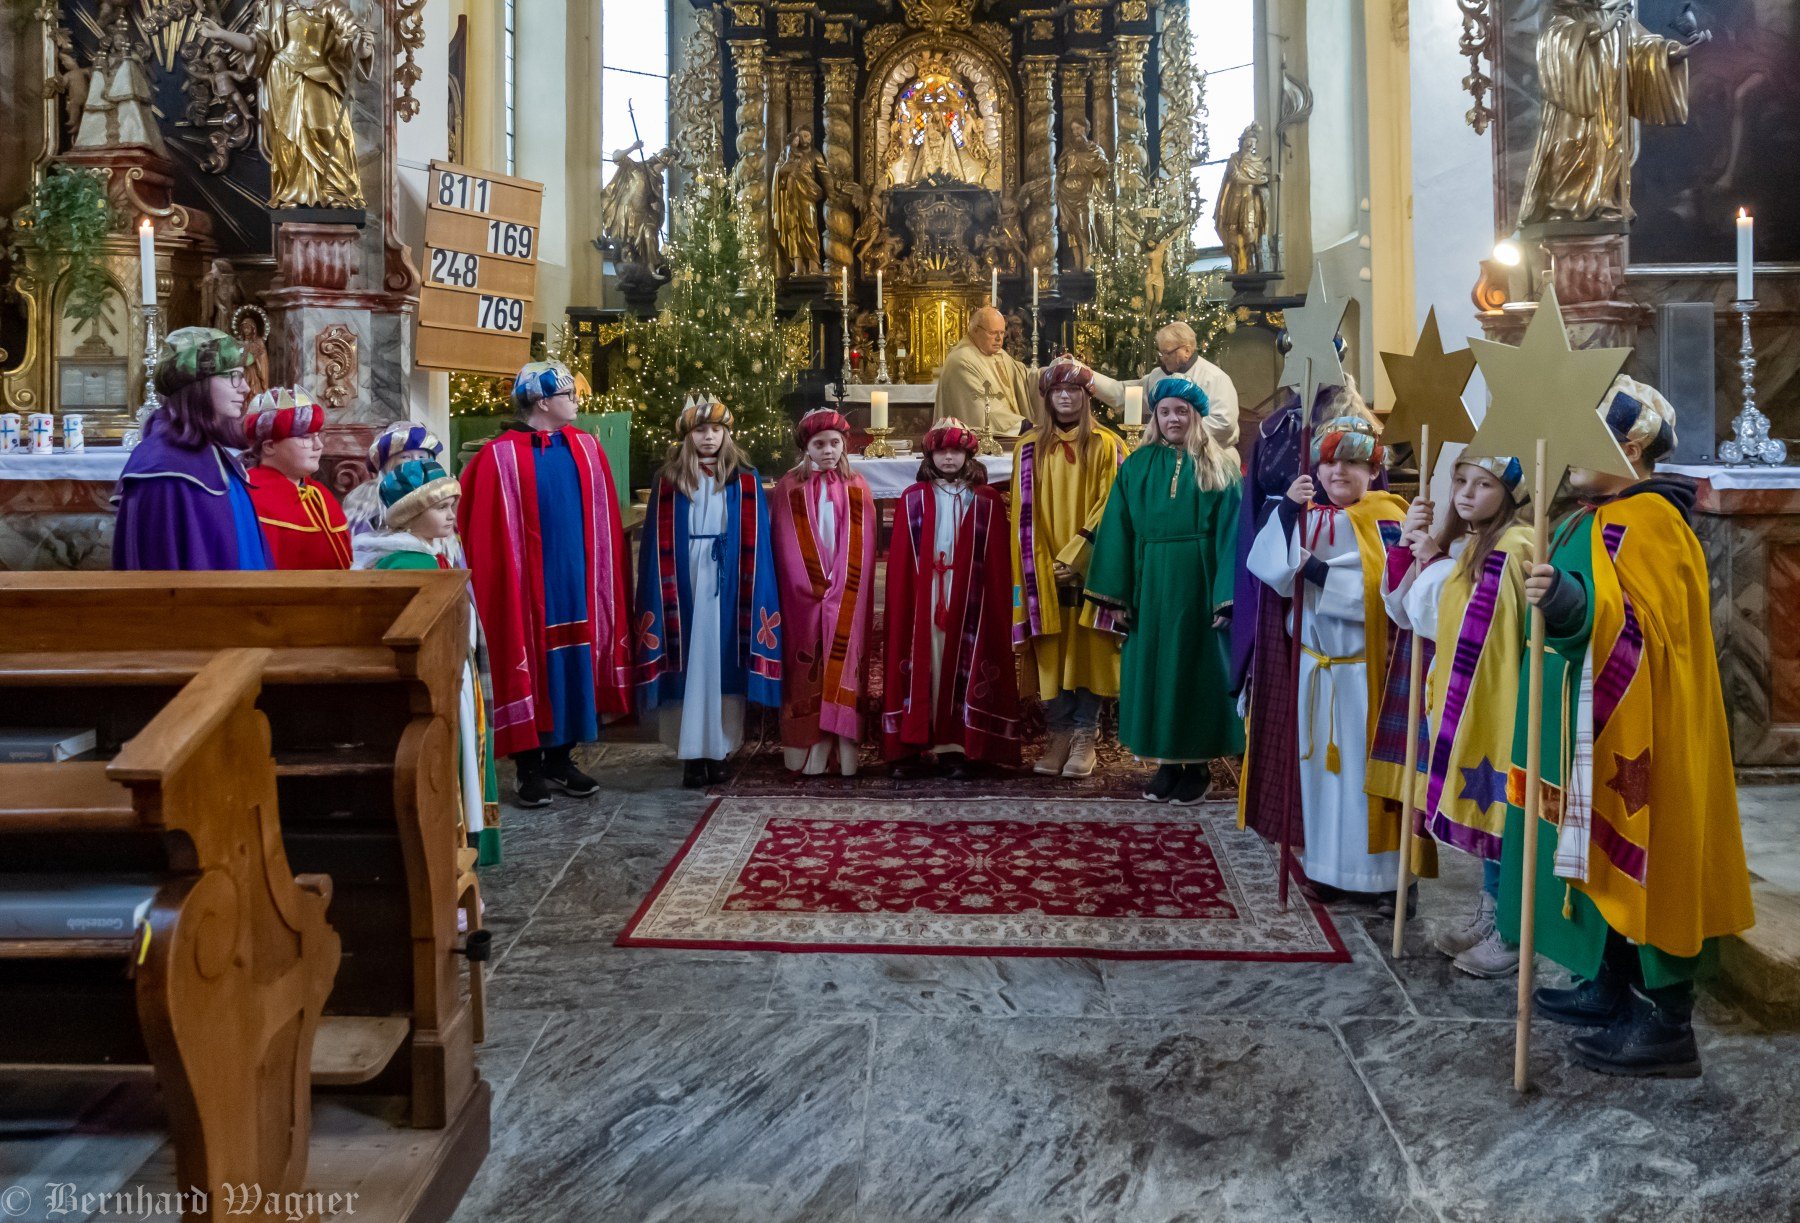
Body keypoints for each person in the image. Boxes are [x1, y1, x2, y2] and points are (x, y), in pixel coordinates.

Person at [1499, 376, 1753, 1077]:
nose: (1570, 448)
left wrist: (1574, 603)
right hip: (1583, 724)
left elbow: (1647, 634)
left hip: (1643, 734)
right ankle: (1610, 984)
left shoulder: (1652, 523)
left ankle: (1663, 1019)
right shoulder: (1588, 517)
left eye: (1589, 431)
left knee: (1650, 851)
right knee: (1593, 855)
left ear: (1633, 442)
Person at [1246, 415, 1421, 902]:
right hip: (1314, 666)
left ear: (1372, 471)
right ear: (1316, 471)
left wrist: (1321, 572)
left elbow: (1391, 591)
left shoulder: (1391, 516)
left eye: (1353, 462)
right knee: (1320, 777)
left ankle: (1385, 879)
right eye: (1329, 462)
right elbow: (1270, 570)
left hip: (1367, 674)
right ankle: (1326, 869)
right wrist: (1284, 513)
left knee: (1368, 778)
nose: (1339, 471)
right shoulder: (1302, 514)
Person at [1377, 455, 1531, 976]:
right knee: (1491, 812)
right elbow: (1410, 614)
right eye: (1459, 481)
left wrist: (1436, 562)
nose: (1465, 493)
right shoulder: (1474, 543)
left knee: (1506, 812)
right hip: (1464, 695)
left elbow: (1470, 618)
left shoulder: (1514, 546)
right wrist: (1424, 551)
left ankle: (1512, 929)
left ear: (1510, 493)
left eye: (1482, 484)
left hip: (1498, 699)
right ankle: (1490, 912)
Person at [458, 361, 632, 808]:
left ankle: (560, 758)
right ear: (542, 402)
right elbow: (478, 529)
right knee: (529, 663)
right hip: (525, 587)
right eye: (567, 394)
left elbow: (605, 519)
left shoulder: (589, 448)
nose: (576, 401)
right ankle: (528, 768)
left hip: (578, 582)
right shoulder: (497, 456)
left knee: (571, 664)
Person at [1085, 377, 1243, 804]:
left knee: (1195, 669)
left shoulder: (1222, 467)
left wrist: (1226, 597)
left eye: (1182, 411)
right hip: (1149, 579)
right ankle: (1168, 764)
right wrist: (1115, 595)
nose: (1173, 419)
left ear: (1196, 416)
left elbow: (1233, 535)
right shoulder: (1136, 466)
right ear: (1155, 417)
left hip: (1200, 581)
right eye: (1166, 411)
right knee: (1155, 670)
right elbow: (1117, 528)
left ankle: (1200, 766)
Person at [353, 458, 500, 865]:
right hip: (437, 682)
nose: (452, 514)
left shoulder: (429, 555)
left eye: (453, 504)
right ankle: (448, 864)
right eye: (441, 507)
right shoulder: (409, 566)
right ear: (411, 514)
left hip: (453, 672)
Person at [634, 395, 783, 789]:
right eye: (701, 430)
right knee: (690, 659)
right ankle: (690, 753)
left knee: (720, 661)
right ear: (688, 435)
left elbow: (760, 544)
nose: (709, 437)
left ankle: (718, 750)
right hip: (682, 580)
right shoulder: (668, 481)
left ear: (726, 434)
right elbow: (653, 547)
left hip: (729, 578)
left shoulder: (744, 478)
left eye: (717, 430)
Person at [881, 417, 1021, 777]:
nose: (948, 458)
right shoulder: (913, 499)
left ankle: (955, 747)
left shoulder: (987, 500)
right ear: (929, 454)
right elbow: (898, 562)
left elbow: (997, 563)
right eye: (941, 451)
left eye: (956, 451)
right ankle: (910, 748)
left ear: (968, 455)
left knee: (959, 662)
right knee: (924, 663)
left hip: (969, 601)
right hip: (923, 600)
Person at [1012, 357, 1127, 779]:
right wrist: (1042, 562)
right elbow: (1025, 517)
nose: (1065, 396)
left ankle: (1084, 734)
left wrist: (1077, 556)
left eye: (1074, 389)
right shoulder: (1027, 448)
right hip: (1041, 565)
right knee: (1050, 646)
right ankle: (1057, 732)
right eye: (1057, 390)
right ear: (1047, 397)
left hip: (1089, 565)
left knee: (1088, 647)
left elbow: (1111, 505)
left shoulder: (1107, 444)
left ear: (1086, 395)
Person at [769, 408, 877, 776]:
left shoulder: (857, 485)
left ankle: (842, 741)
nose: (828, 450)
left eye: (835, 443)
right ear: (806, 448)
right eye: (820, 444)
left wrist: (839, 587)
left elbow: (863, 545)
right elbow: (785, 547)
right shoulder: (789, 487)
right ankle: (810, 741)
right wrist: (815, 586)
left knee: (844, 657)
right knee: (808, 659)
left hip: (846, 588)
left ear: (844, 445)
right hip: (805, 594)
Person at [113, 326, 270, 571]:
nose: (246, 388)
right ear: (198, 385)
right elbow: (159, 579)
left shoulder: (215, 455)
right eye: (233, 376)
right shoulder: (162, 471)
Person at [1088, 321, 1240, 453]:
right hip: (1169, 458)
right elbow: (1122, 393)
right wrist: (1081, 371)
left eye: (1167, 353)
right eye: (1160, 352)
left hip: (1213, 458)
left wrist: (1174, 432)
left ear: (1187, 350)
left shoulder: (1215, 378)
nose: (1162, 358)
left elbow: (1224, 424)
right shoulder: (1158, 376)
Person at [242, 387, 352, 570]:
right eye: (305, 437)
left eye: (318, 435)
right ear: (269, 446)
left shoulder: (320, 495)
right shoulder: (249, 496)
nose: (318, 445)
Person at [934, 306, 1033, 436]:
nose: (999, 338)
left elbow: (1024, 378)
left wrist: (1053, 371)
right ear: (975, 331)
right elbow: (983, 409)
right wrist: (1024, 426)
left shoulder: (999, 355)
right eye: (993, 333)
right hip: (973, 447)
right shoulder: (961, 361)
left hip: (1010, 438)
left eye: (1002, 333)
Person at [343, 420, 447, 540]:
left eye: (422, 457)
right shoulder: (365, 503)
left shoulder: (440, 496)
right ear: (388, 464)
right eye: (405, 457)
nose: (415, 462)